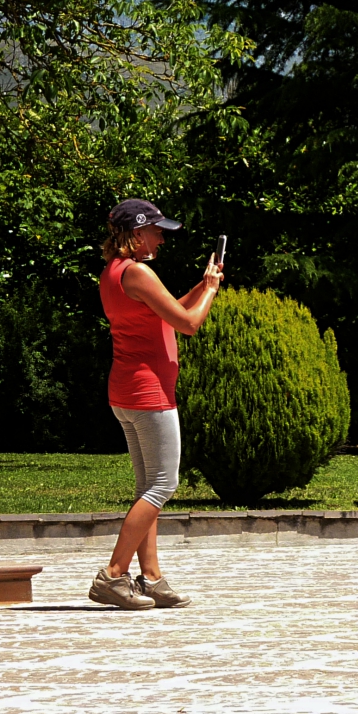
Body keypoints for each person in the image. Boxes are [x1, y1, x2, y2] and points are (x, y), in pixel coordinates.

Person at [88, 199, 224, 611]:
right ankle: (112, 575)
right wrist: (213, 292)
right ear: (136, 233)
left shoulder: (114, 274)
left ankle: (151, 578)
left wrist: (201, 285)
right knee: (164, 485)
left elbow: (167, 310)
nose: (162, 237)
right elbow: (189, 323)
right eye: (157, 230)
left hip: (126, 392)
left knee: (148, 488)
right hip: (150, 396)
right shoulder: (139, 272)